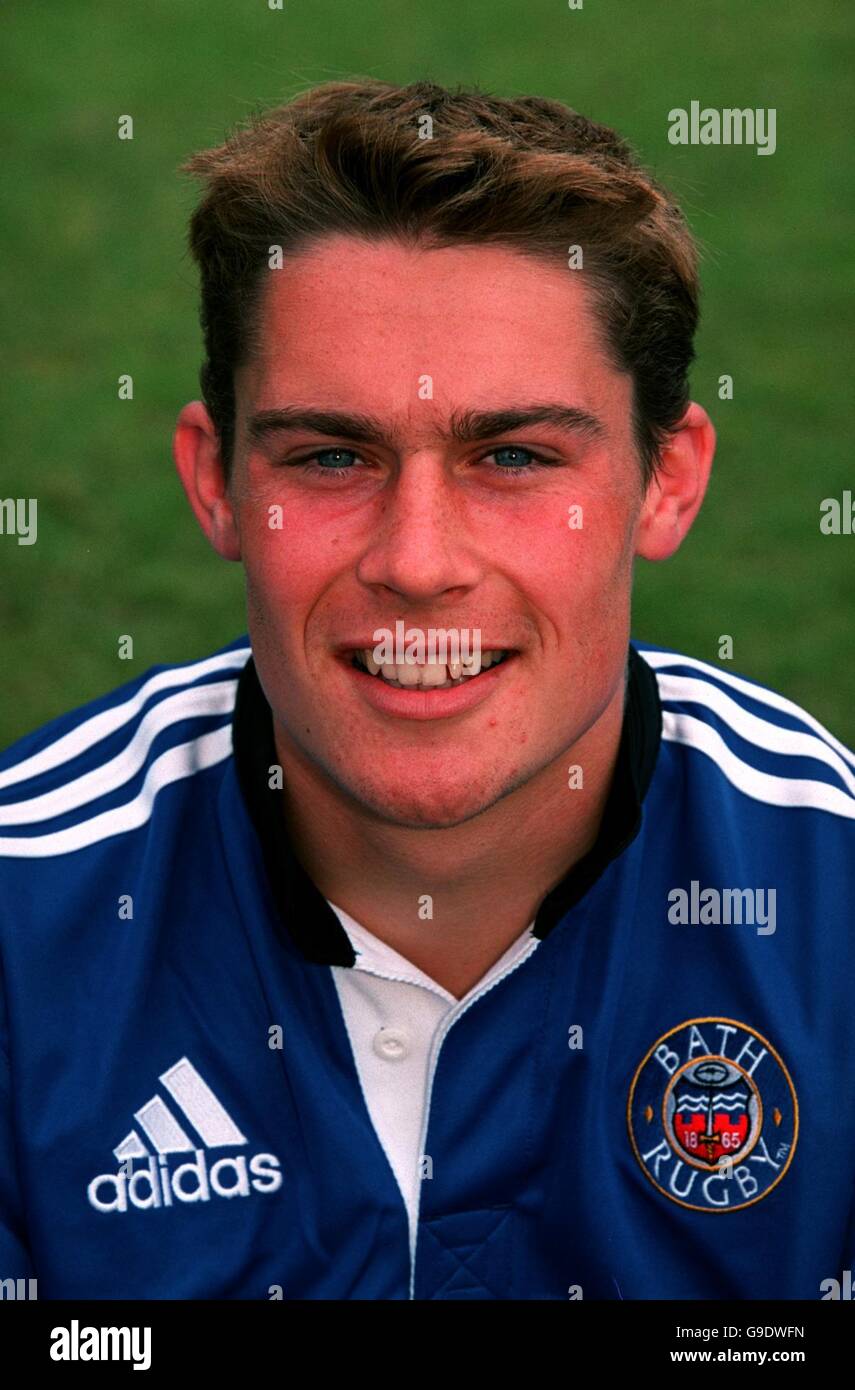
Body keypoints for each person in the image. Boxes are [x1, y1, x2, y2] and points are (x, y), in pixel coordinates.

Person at [0, 80, 852, 1301]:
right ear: (220, 484)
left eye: (512, 457)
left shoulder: (831, 908)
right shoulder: (23, 924)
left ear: (667, 482)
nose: (417, 560)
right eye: (332, 456)